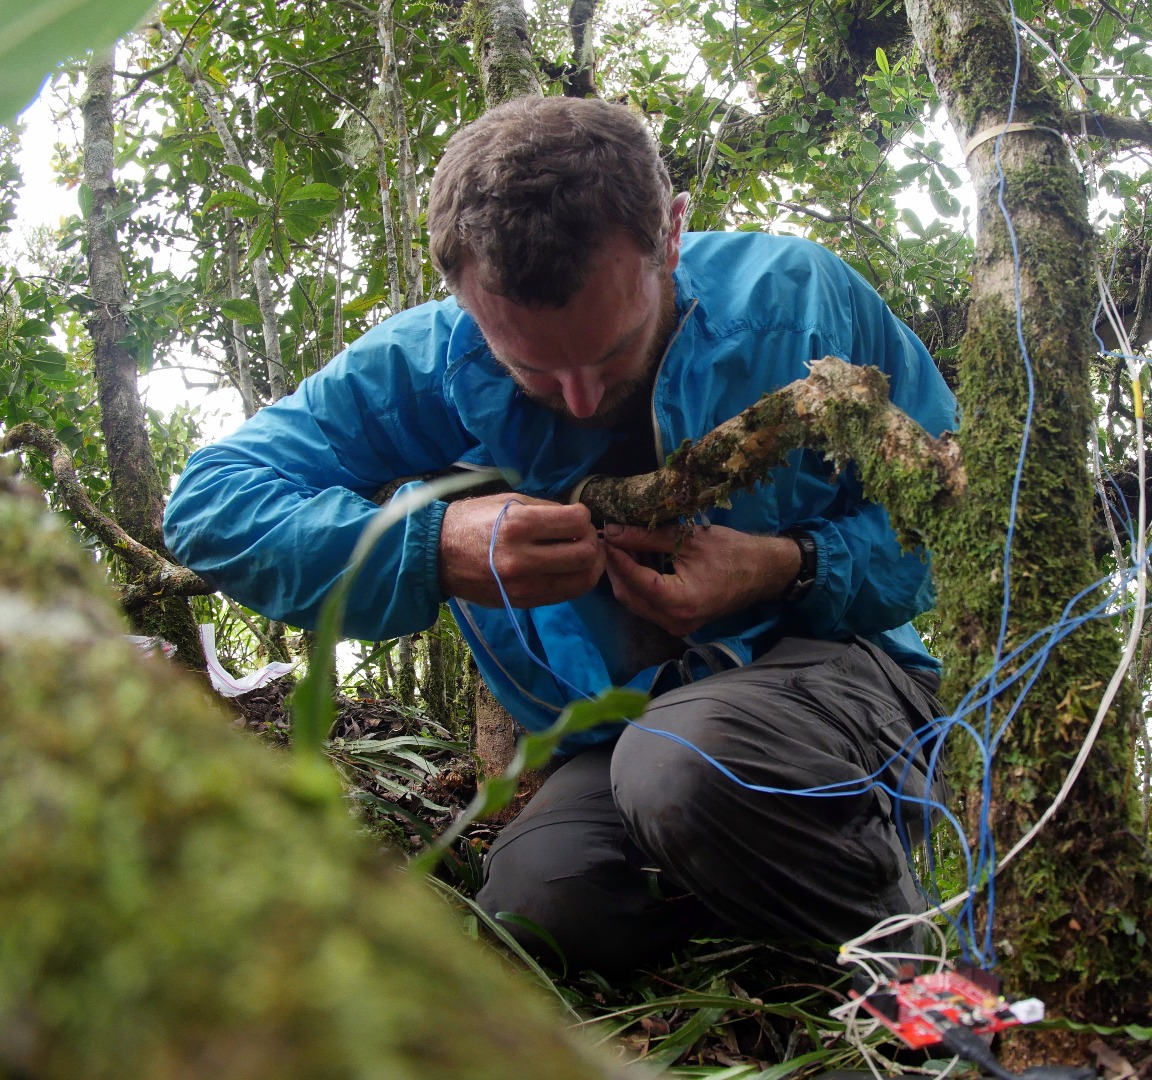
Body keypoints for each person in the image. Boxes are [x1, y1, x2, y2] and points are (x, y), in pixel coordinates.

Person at [164, 95, 957, 974]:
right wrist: (433, 548)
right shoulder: (429, 364)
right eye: (529, 365)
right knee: (541, 907)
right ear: (463, 296)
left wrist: (790, 566)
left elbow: (955, 512)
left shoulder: (795, 303)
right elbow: (211, 502)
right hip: (615, 737)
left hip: (848, 685)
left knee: (684, 766)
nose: (578, 398)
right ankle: (758, 940)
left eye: (612, 351)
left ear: (671, 235)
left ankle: (920, 1004)